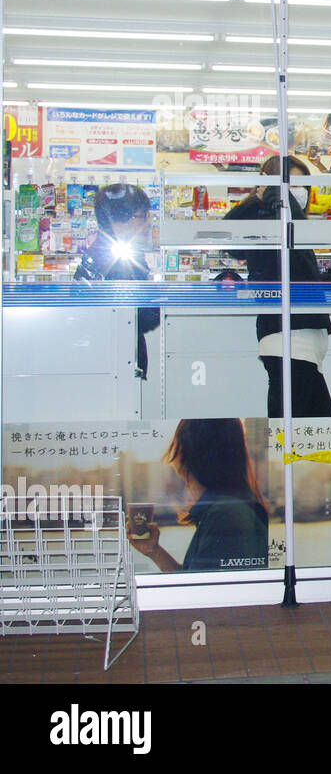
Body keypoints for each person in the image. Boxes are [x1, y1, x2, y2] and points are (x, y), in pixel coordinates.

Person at [223, 155, 331, 417]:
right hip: (288, 336)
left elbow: (298, 271)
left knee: (311, 430)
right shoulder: (267, 219)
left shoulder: (283, 221)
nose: (300, 193)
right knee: (296, 430)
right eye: (292, 185)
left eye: (303, 186)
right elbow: (233, 242)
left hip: (300, 338)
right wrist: (274, 196)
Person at [129, 418, 269, 572]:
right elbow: (196, 581)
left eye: (177, 443)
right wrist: (154, 551)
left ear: (188, 451)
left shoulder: (225, 515)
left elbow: (197, 591)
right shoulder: (230, 509)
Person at [74, 183, 159, 379]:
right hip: (117, 361)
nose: (147, 223)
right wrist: (157, 299)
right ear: (121, 220)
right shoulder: (121, 259)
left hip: (103, 359)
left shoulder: (98, 253)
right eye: (143, 215)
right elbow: (139, 317)